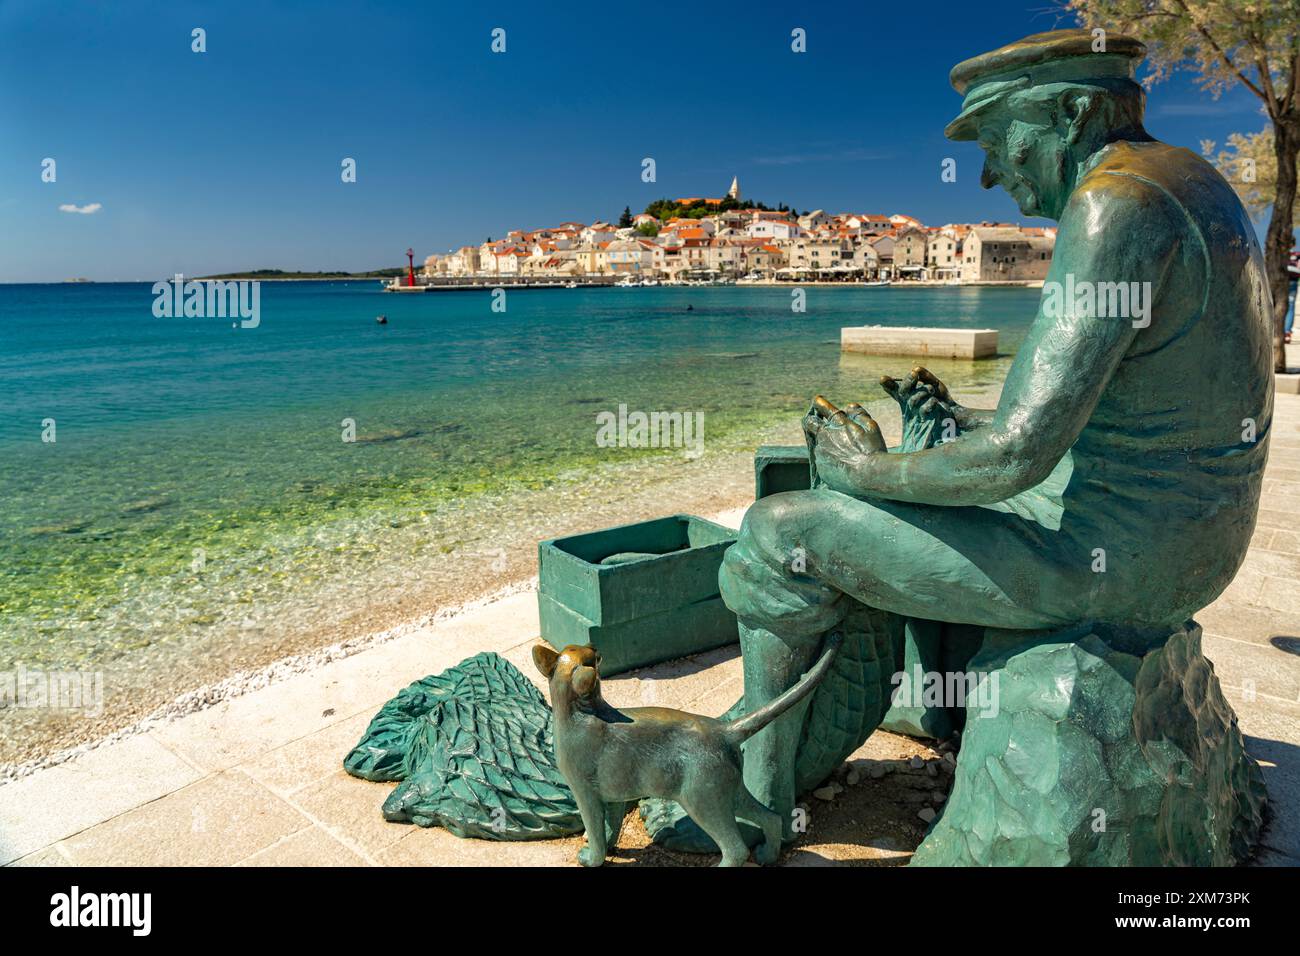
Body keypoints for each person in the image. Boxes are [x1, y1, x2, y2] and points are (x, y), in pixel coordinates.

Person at [718, 30, 1274, 828]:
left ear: (1075, 113)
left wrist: (862, 473)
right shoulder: (1192, 180)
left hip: (1128, 558)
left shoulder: (1114, 204)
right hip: (1195, 537)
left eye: (997, 141)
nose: (985, 173)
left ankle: (755, 805)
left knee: (778, 531)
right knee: (924, 460)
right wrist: (949, 437)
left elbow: (1015, 454)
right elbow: (1087, 417)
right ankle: (935, 702)